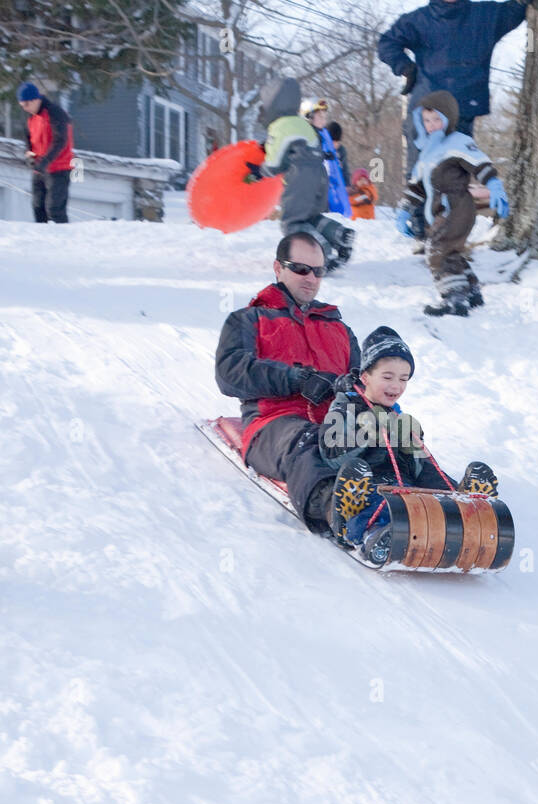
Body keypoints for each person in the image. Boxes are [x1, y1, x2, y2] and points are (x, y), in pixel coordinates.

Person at [214, 232, 360, 535]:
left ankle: (454, 501)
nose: (311, 278)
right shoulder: (248, 319)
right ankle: (339, 509)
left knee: (394, 437)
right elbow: (229, 373)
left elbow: (362, 381)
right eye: (301, 269)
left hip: (336, 424)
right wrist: (296, 378)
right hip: (274, 425)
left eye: (318, 271)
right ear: (278, 268)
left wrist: (351, 387)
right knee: (308, 442)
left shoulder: (338, 327)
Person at [319, 326, 498, 563]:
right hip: (367, 485)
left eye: (403, 379)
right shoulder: (344, 407)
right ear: (365, 377)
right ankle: (372, 534)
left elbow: (422, 468)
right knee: (382, 506)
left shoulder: (397, 417)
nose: (396, 386)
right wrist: (367, 434)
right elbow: (330, 454)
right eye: (387, 377)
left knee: (433, 499)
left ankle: (468, 508)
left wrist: (416, 447)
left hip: (404, 485)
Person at [378, 0, 532, 175]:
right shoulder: (418, 20)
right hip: (428, 107)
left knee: (454, 176)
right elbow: (387, 43)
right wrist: (406, 67)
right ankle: (419, 201)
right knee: (421, 171)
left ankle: (446, 200)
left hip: (462, 109)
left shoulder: (483, 16)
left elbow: (513, 11)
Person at [397, 90, 509, 316]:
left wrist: (494, 184)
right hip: (441, 212)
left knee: (437, 250)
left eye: (437, 119)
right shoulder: (427, 152)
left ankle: (454, 298)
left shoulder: (458, 142)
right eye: (427, 120)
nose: (432, 125)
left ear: (448, 119)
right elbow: (417, 187)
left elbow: (479, 164)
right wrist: (405, 210)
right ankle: (470, 291)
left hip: (456, 208)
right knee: (451, 251)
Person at [247, 78, 355, 272]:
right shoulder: (301, 124)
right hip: (319, 176)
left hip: (299, 178)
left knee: (292, 223)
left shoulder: (279, 126)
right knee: (311, 217)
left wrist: (258, 172)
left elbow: (275, 163)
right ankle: (340, 234)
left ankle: (324, 252)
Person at [17, 82, 75, 224]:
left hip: (59, 169)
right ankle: (42, 243)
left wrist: (44, 162)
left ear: (35, 99)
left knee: (54, 209)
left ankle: (61, 241)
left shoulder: (55, 113)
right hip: (39, 170)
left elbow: (60, 141)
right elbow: (29, 140)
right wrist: (30, 156)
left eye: (26, 105)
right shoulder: (31, 118)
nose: (25, 109)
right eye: (22, 106)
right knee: (38, 208)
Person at [302, 100, 351, 217]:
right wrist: (321, 155)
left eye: (325, 116)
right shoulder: (306, 134)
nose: (324, 120)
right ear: (309, 117)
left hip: (323, 184)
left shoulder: (323, 134)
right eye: (320, 116)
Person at [326, 121, 351, 185]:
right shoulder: (323, 149)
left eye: (337, 142)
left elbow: (345, 170)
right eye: (333, 141)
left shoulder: (341, 150)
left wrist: (347, 184)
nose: (336, 144)